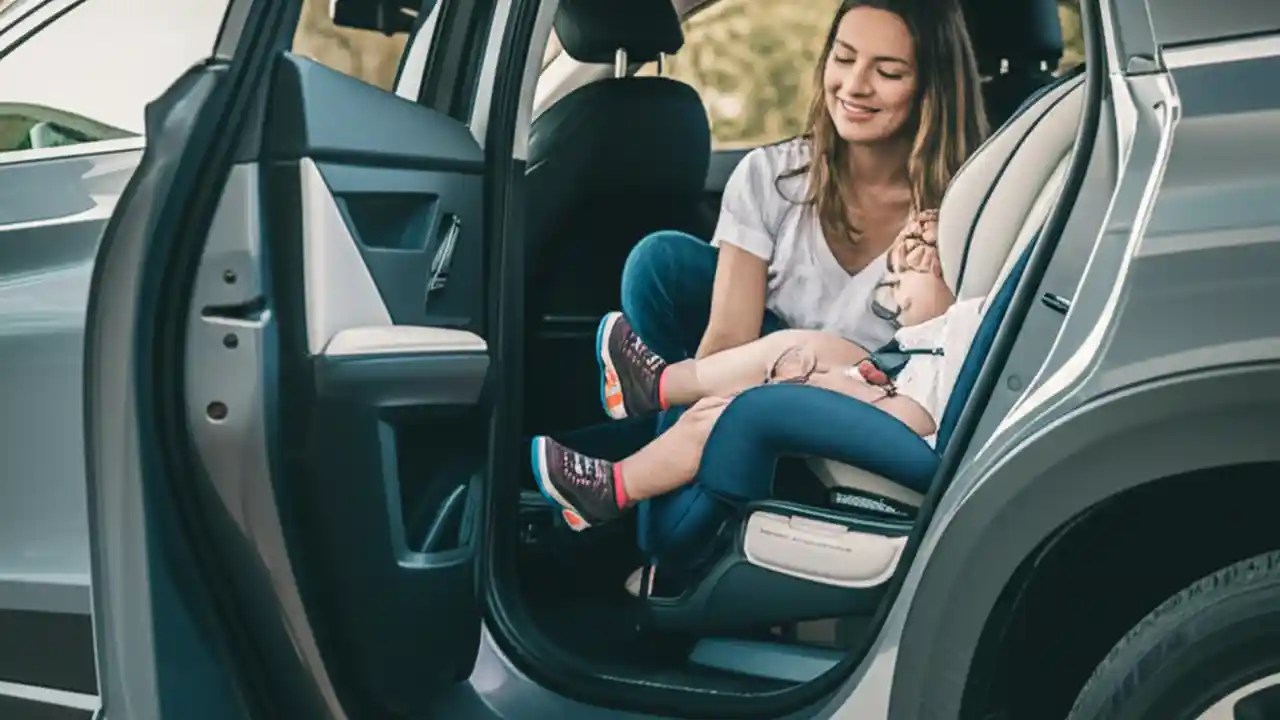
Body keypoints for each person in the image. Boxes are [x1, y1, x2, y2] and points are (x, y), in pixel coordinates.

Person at [555, 0, 988, 465]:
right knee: (661, 265)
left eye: (887, 72)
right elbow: (727, 344)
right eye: (843, 59)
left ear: (931, 87)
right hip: (759, 385)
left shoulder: (968, 212)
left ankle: (637, 502)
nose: (855, 86)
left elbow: (945, 365)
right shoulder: (772, 175)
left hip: (873, 410)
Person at [531, 213, 981, 531]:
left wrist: (833, 388)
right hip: (890, 395)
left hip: (909, 433)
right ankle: (659, 386)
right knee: (798, 346)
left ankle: (616, 488)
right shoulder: (920, 338)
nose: (894, 295)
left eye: (903, 280)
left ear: (943, 269)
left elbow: (921, 417)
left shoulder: (961, 325)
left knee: (735, 408)